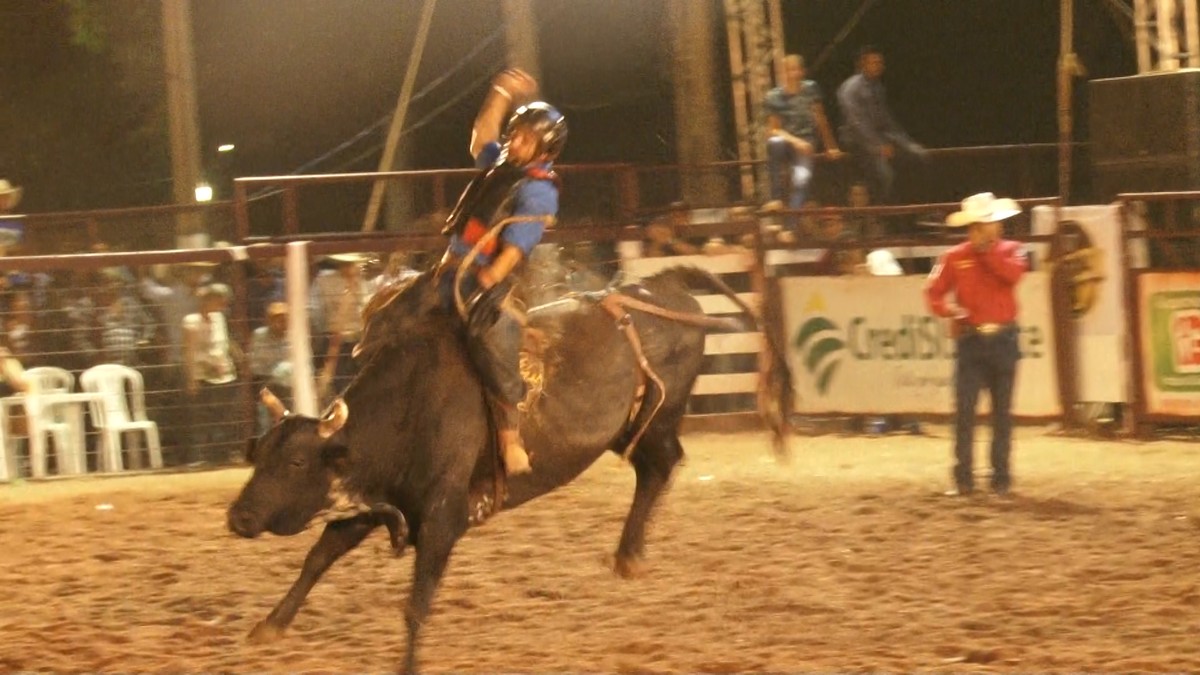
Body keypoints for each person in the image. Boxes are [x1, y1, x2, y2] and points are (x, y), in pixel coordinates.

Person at [438, 67, 566, 476]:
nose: (514, 141)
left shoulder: (538, 189)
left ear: (544, 149)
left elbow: (516, 246)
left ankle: (510, 440)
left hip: (484, 280)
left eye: (525, 138)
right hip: (451, 272)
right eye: (514, 134)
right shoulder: (500, 164)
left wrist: (489, 279)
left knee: (493, 343)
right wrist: (500, 92)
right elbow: (481, 136)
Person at [924, 192, 1028, 497]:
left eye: (991, 223)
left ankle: (1000, 478)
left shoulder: (1011, 251)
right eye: (984, 224)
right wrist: (951, 311)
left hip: (1001, 339)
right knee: (965, 412)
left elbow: (1013, 275)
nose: (991, 228)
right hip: (972, 340)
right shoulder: (955, 257)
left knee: (1002, 413)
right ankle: (965, 479)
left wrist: (987, 253)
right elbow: (933, 292)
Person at [837, 45, 926, 205]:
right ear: (863, 64)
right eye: (874, 62)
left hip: (878, 138)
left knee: (916, 157)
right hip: (856, 141)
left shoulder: (877, 87)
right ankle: (881, 213)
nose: (878, 66)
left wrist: (907, 143)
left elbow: (886, 120)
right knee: (884, 174)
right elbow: (856, 121)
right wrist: (878, 145)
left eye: (880, 63)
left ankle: (911, 210)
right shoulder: (851, 88)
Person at [763, 54, 841, 213]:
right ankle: (776, 198)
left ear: (802, 71)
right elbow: (773, 129)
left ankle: (791, 224)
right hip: (787, 141)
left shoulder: (811, 88)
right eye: (788, 70)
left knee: (801, 180)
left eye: (795, 69)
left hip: (807, 142)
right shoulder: (773, 96)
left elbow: (820, 118)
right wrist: (795, 141)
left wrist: (831, 146)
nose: (792, 74)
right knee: (774, 142)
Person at [249, 302, 291, 433]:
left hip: (289, 386)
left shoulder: (295, 336)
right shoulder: (259, 336)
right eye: (277, 319)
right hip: (266, 384)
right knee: (265, 423)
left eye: (285, 319)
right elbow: (255, 365)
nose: (282, 323)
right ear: (269, 320)